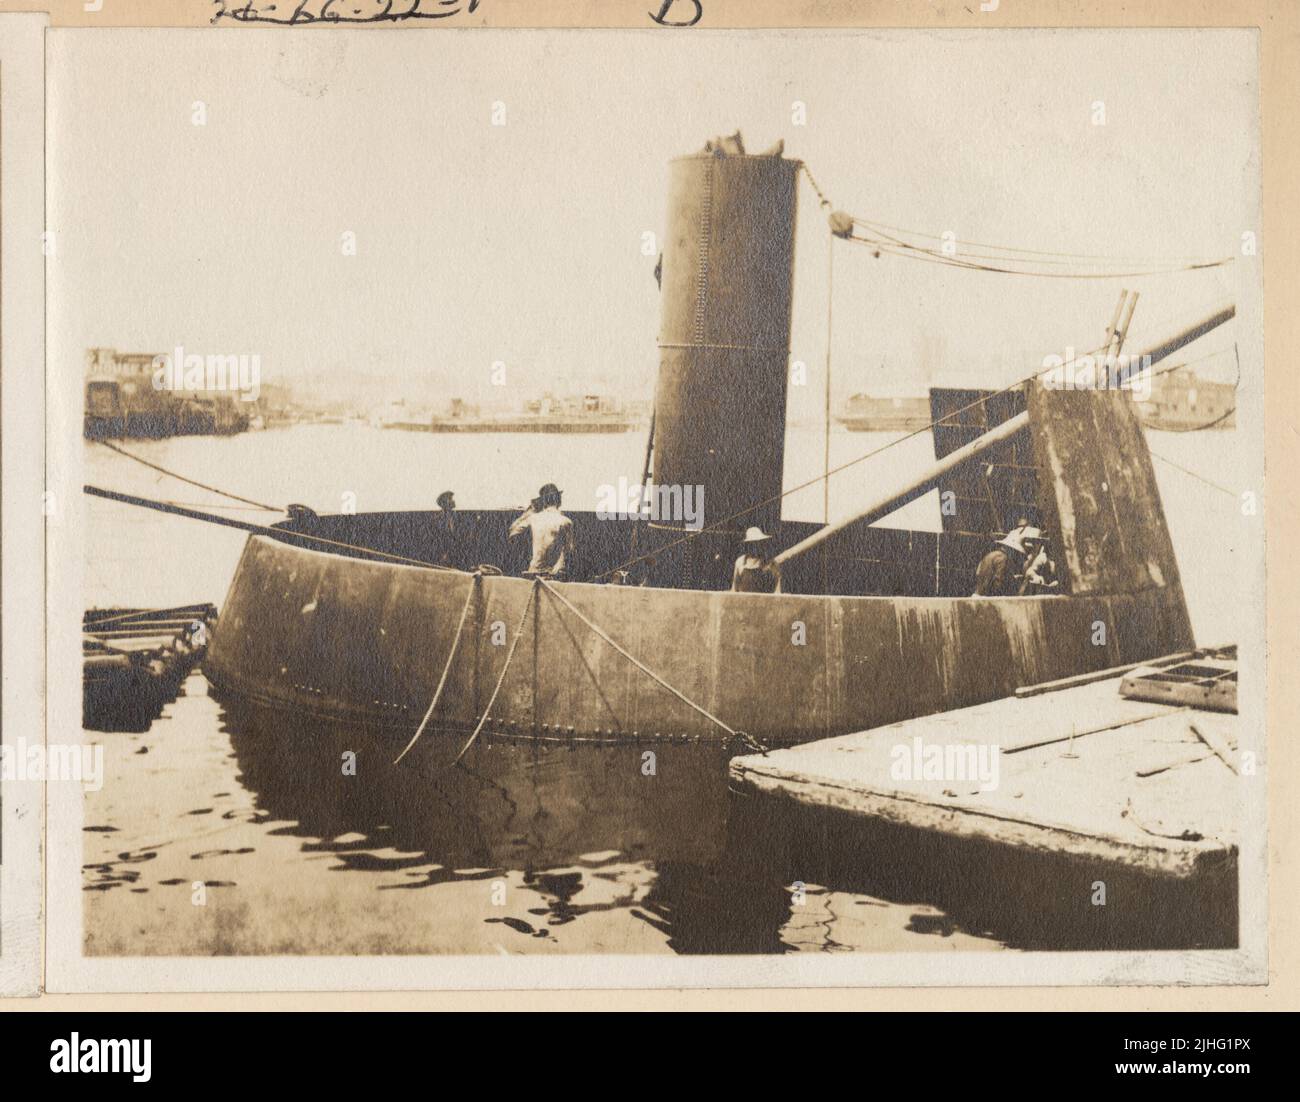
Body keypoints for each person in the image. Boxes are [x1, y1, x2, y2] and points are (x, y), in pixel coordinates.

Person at [508, 483, 575, 580]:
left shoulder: (533, 518)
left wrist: (530, 510)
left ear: (543, 501)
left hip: (533, 571)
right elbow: (569, 550)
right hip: (553, 574)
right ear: (558, 500)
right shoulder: (565, 521)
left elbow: (512, 531)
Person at [973, 528, 1031, 597]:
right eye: (1016, 552)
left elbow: (979, 573)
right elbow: (998, 582)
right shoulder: (1003, 558)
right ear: (1012, 550)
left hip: (978, 594)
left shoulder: (991, 555)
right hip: (987, 599)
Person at [731, 526, 782, 593]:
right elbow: (734, 589)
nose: (755, 546)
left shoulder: (771, 563)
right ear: (748, 545)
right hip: (744, 601)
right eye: (752, 543)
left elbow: (777, 591)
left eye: (758, 543)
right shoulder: (741, 562)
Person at [431, 490, 463, 567]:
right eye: (450, 499)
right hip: (444, 552)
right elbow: (438, 538)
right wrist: (444, 554)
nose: (453, 501)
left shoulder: (456, 516)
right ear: (444, 503)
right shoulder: (438, 519)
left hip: (456, 549)